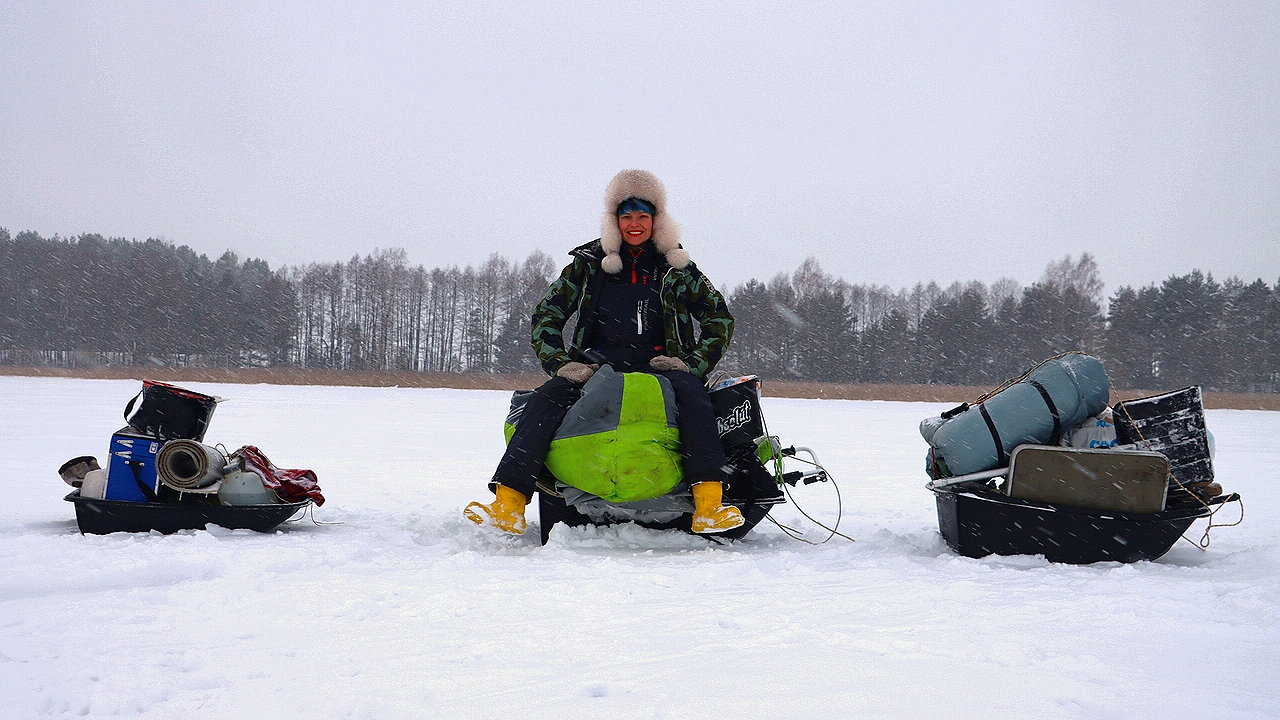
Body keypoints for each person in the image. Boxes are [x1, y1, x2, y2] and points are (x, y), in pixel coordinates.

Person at [464, 169, 744, 536]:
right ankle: (508, 504)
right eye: (626, 216)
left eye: (643, 215)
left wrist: (690, 365)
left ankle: (709, 506)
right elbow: (547, 315)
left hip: (661, 366)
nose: (634, 224)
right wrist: (561, 364)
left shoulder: (679, 267)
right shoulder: (587, 264)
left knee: (696, 401)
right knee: (544, 402)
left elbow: (719, 319)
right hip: (595, 367)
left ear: (656, 219)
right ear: (614, 220)